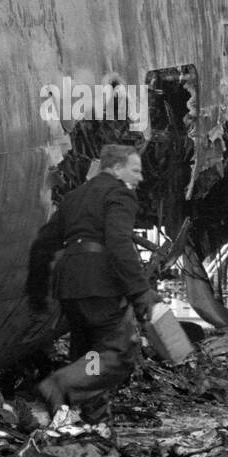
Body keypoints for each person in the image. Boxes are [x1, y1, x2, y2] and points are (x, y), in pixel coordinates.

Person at [26, 143, 159, 424]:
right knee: (119, 353)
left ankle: (93, 423)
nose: (140, 177)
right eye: (136, 170)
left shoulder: (74, 197)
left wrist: (38, 295)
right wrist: (140, 291)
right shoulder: (120, 193)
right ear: (116, 168)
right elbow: (119, 242)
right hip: (99, 283)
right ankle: (57, 385)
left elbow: (42, 245)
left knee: (88, 357)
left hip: (70, 286)